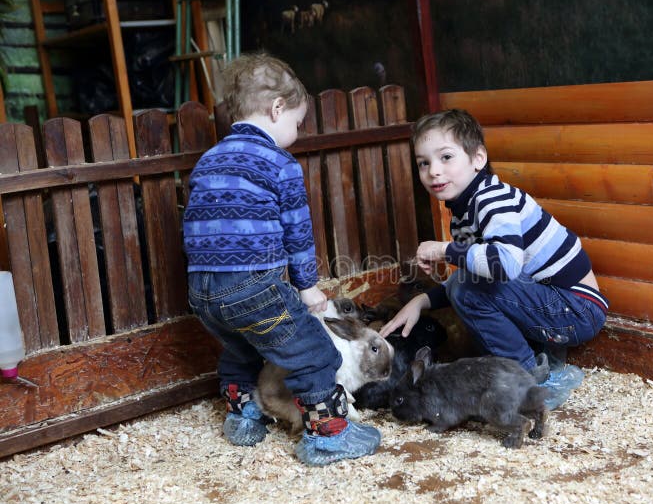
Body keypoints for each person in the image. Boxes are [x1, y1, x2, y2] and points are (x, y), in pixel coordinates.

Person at [183, 53, 380, 465]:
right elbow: (297, 231)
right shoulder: (279, 162)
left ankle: (243, 417)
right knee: (314, 352)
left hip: (203, 291)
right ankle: (327, 436)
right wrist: (307, 287)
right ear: (277, 109)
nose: (296, 132)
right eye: (296, 122)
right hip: (252, 284)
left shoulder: (208, 161)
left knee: (241, 352)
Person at [379, 109, 609, 409]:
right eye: (424, 163)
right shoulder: (464, 210)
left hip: (576, 309)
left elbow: (505, 264)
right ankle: (541, 357)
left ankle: (525, 381)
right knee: (468, 285)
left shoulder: (492, 199)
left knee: (467, 289)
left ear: (478, 159)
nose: (433, 170)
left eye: (446, 157)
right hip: (550, 304)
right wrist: (421, 301)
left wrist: (444, 249)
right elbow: (478, 273)